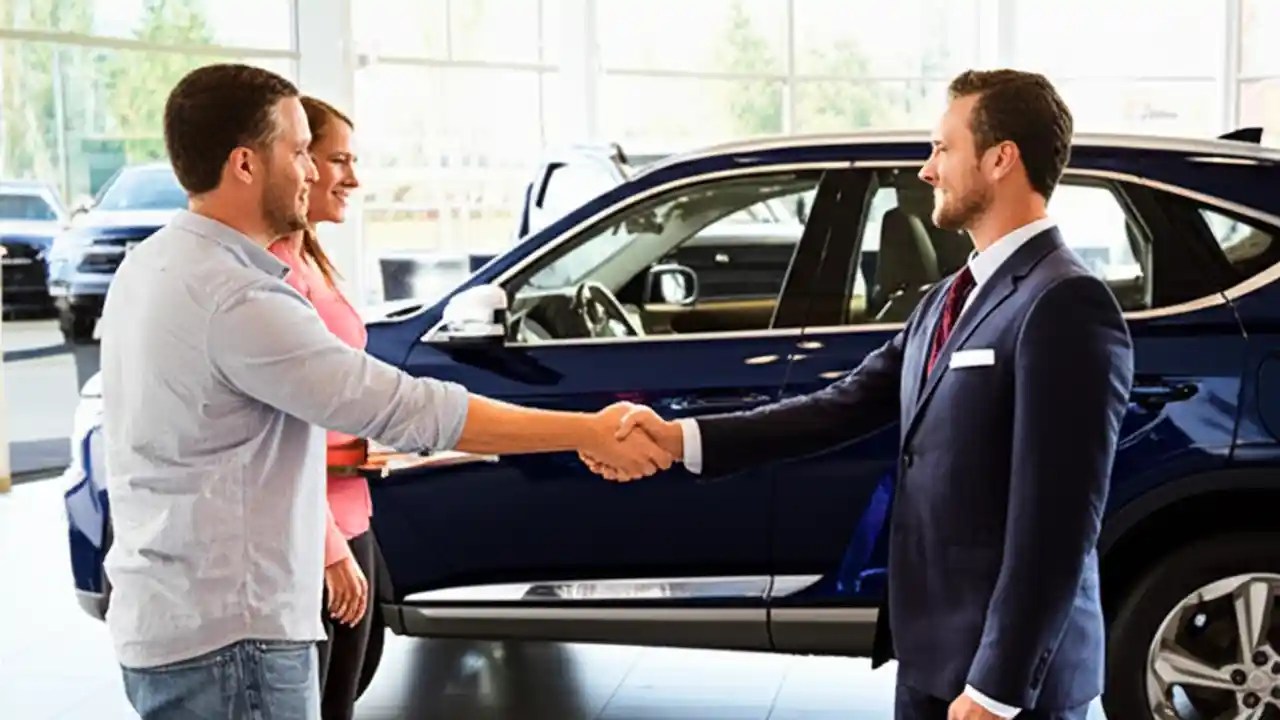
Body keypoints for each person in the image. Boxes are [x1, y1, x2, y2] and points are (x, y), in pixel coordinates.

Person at [98, 62, 671, 720]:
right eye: (298, 151)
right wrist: (586, 431)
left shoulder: (152, 264)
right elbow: (402, 407)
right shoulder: (238, 297)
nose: (312, 170)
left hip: (172, 620)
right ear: (246, 165)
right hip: (234, 639)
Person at [585, 69, 1133, 720]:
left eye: (942, 149)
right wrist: (679, 439)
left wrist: (997, 687)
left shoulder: (1065, 302)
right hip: (932, 656)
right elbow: (840, 406)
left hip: (1006, 686)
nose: (927, 170)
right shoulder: (948, 298)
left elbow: (1057, 526)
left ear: (1000, 159)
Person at [265, 95, 374, 719]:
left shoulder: (311, 257)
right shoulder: (274, 270)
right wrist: (330, 547)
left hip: (351, 514)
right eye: (336, 159)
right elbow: (282, 425)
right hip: (316, 532)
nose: (348, 177)